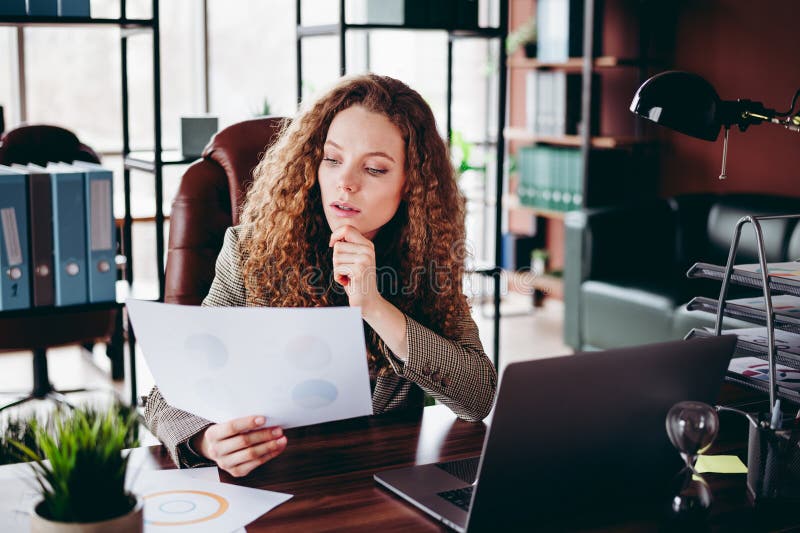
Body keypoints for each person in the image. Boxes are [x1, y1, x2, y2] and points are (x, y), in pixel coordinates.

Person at [143, 74, 497, 476]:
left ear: (411, 185)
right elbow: (164, 396)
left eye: (375, 169)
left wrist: (375, 307)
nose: (345, 183)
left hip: (383, 480)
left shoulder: (426, 260)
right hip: (280, 480)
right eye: (332, 159)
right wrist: (207, 441)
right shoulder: (250, 252)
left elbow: (478, 398)